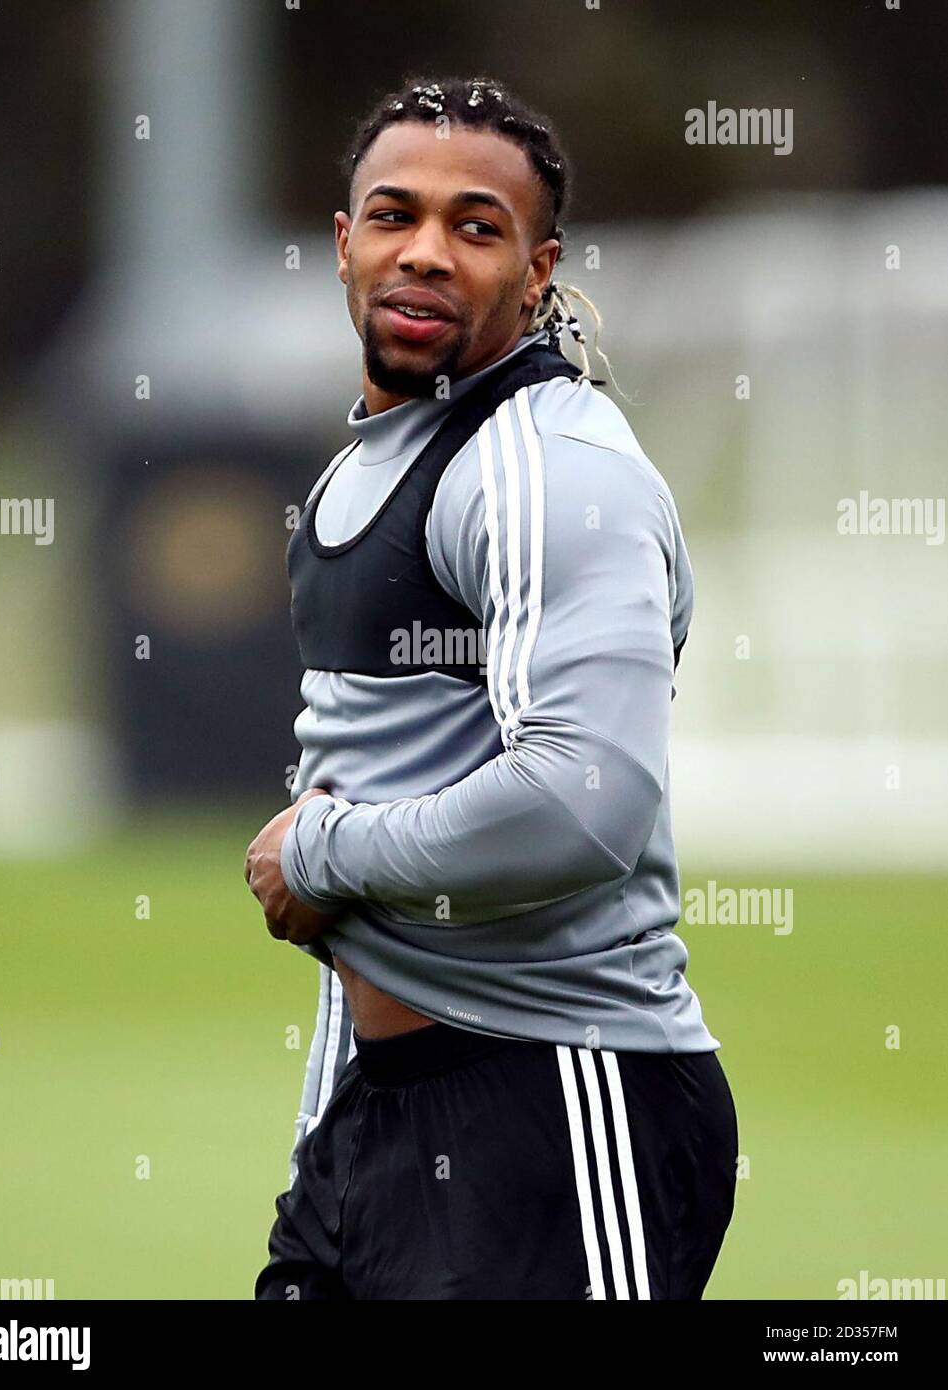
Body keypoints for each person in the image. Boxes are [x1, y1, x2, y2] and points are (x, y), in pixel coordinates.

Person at [245, 74, 738, 1300]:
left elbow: (582, 802)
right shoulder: (369, 461)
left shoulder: (546, 465)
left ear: (538, 267)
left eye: (475, 227)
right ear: (342, 242)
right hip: (378, 1109)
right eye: (394, 215)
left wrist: (324, 852)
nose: (425, 252)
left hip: (561, 1108)